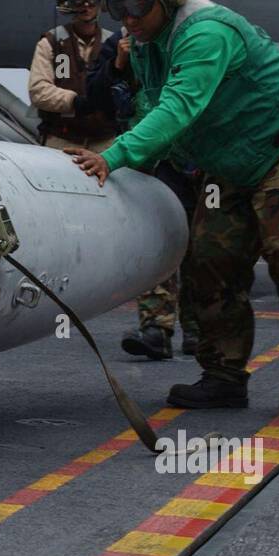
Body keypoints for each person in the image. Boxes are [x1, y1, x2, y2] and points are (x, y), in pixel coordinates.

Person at [67, 0, 279, 414]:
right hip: (231, 158)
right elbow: (152, 108)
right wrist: (135, 163)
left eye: (136, 6)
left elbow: (179, 107)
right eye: (119, 10)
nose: (127, 20)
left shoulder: (206, 31)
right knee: (209, 257)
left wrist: (113, 156)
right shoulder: (150, 41)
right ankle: (223, 375)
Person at [85, 25, 201, 359]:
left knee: (197, 244)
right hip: (145, 160)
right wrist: (118, 64)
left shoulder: (188, 40)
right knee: (156, 241)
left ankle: (198, 329)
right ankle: (155, 328)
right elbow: (94, 96)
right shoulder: (119, 44)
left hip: (188, 158)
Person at [28, 0, 116, 152]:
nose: (86, 6)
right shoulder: (51, 42)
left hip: (104, 142)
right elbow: (38, 91)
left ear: (102, 4)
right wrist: (74, 102)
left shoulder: (112, 43)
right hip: (61, 138)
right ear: (67, 3)